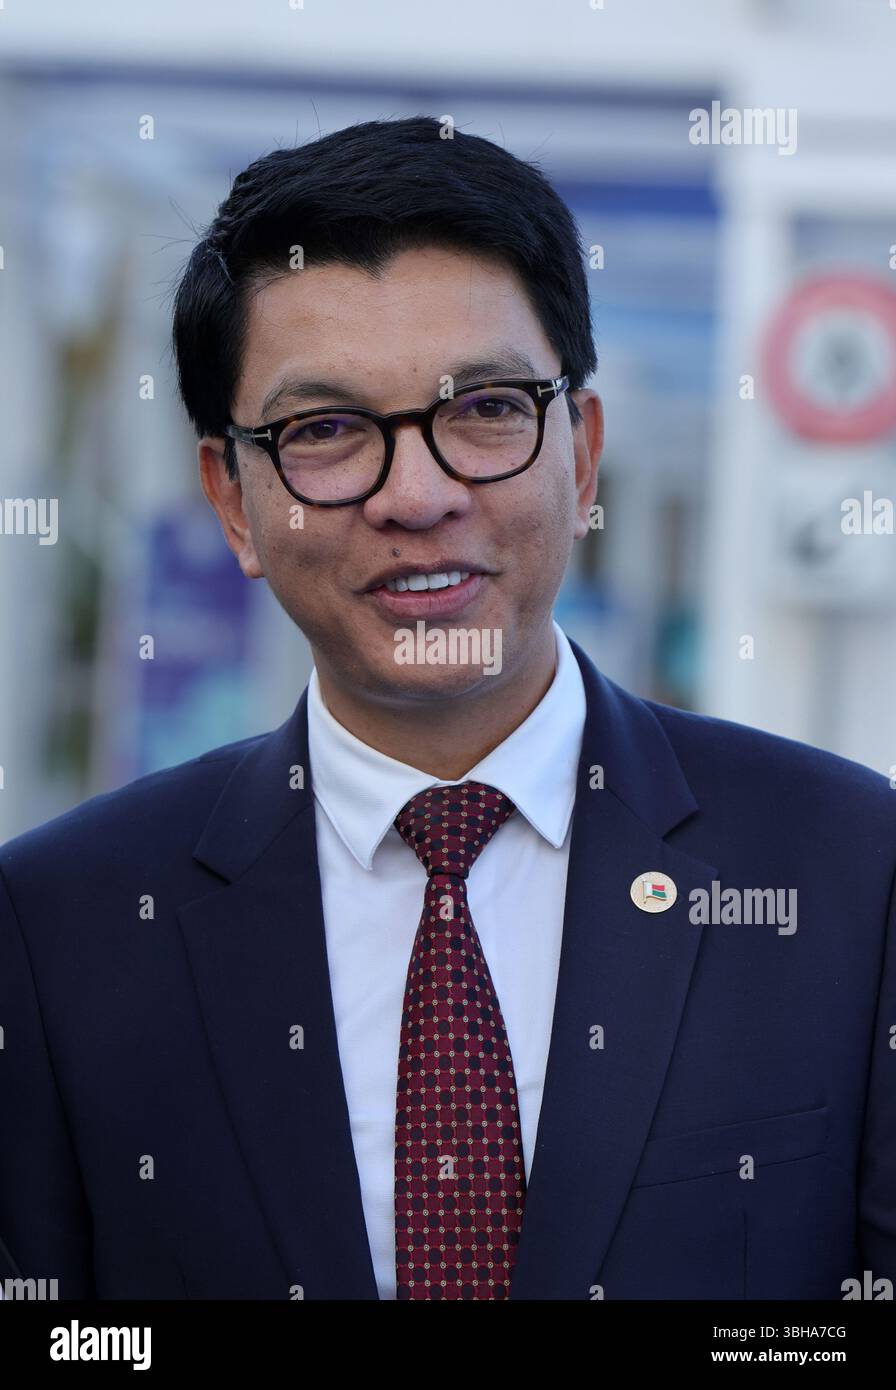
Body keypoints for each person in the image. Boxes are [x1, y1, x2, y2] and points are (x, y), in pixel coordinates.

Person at [0, 115, 893, 1302]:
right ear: (231, 498)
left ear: (579, 456)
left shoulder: (843, 870)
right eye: (324, 431)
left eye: (482, 410)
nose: (415, 494)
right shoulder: (66, 926)